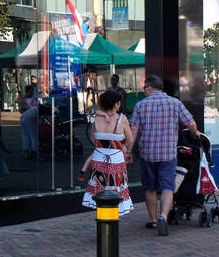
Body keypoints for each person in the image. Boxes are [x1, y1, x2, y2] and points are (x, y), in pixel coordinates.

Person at [128, 74, 198, 237]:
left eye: (144, 87)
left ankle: (152, 220)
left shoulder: (140, 105)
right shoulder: (175, 103)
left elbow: (134, 130)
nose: (143, 90)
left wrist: (129, 150)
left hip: (147, 154)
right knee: (167, 187)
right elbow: (191, 123)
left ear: (150, 87)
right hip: (168, 153)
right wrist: (194, 135)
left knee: (150, 187)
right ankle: (163, 216)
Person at [78, 90, 134, 216]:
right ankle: (112, 221)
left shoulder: (96, 118)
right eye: (118, 102)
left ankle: (103, 219)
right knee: (115, 191)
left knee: (100, 191)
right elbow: (129, 140)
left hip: (99, 158)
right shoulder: (122, 119)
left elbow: (93, 139)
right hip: (116, 159)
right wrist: (123, 147)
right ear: (115, 104)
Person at [20, 85, 40, 159]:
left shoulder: (26, 100)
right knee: (33, 136)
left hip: (24, 117)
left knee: (26, 136)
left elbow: (21, 109)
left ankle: (25, 152)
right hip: (30, 118)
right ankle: (34, 152)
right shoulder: (34, 100)